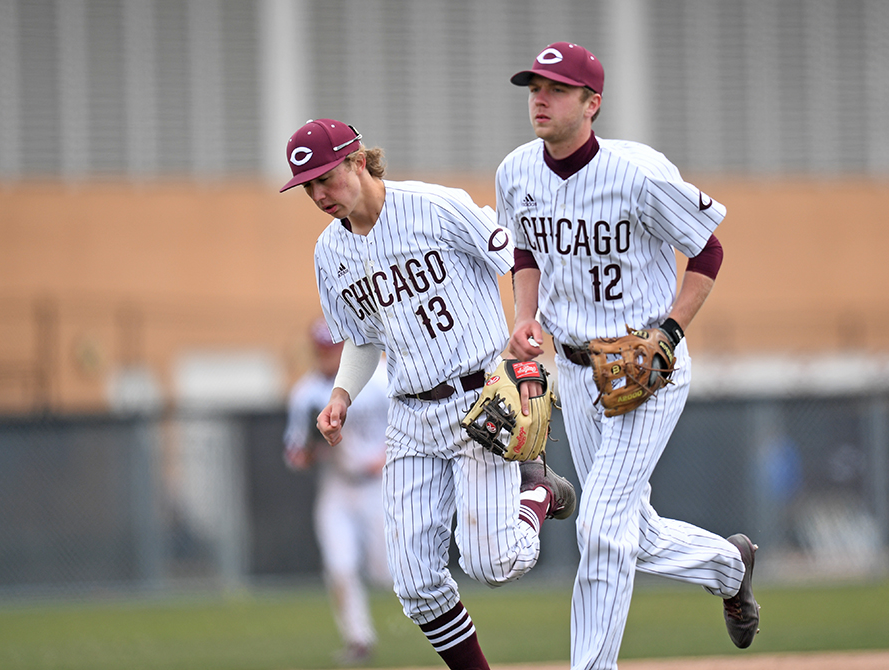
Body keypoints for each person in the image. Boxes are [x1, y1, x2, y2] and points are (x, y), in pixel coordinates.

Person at [496, 42, 761, 669]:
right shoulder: (515, 172)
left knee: (598, 529)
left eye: (556, 88)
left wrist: (670, 333)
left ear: (592, 103)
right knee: (627, 530)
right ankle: (729, 565)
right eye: (534, 86)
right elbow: (526, 253)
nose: (540, 97)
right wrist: (524, 319)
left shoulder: (638, 172)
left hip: (647, 369)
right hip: (580, 372)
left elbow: (708, 250)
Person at [279, 118, 576, 670]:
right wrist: (341, 396)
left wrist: (525, 323)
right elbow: (362, 339)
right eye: (307, 186)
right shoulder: (328, 252)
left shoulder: (436, 207)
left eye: (325, 177)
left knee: (494, 564)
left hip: (482, 398)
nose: (319, 194)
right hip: (410, 412)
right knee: (414, 583)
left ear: (358, 160)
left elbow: (518, 259)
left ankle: (540, 495)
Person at [283, 317, 391, 665]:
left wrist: (385, 457)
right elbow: (296, 453)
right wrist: (307, 452)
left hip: (380, 484)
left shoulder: (378, 378)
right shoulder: (306, 394)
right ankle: (359, 639)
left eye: (332, 349)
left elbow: (411, 422)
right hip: (337, 487)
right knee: (339, 567)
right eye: (321, 351)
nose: (326, 357)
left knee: (385, 572)